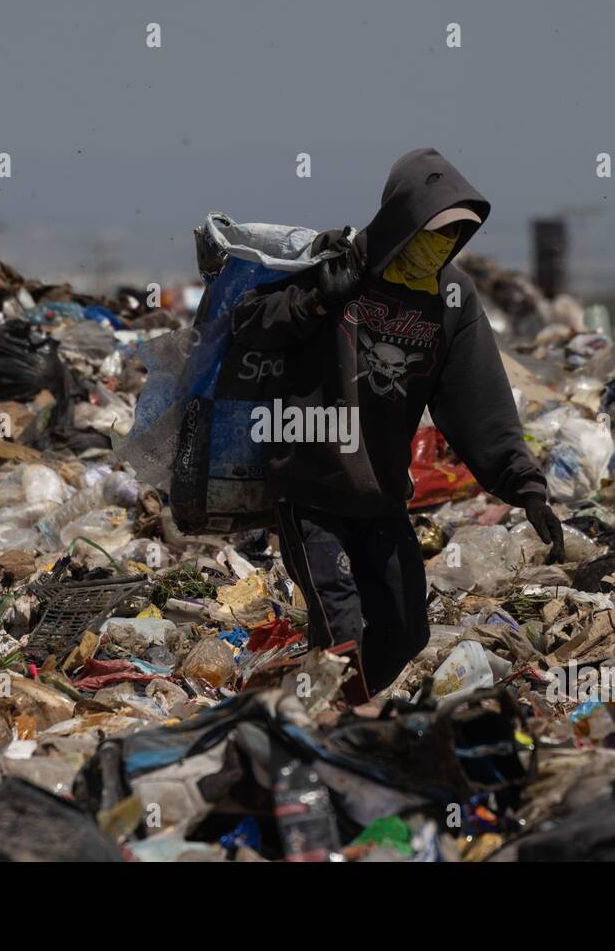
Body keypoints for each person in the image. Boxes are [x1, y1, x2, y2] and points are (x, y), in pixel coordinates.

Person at [230, 147, 563, 699]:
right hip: (310, 486)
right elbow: (250, 325)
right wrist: (317, 298)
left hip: (381, 494)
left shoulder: (451, 298)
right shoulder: (338, 264)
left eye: (456, 234)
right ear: (403, 220)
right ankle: (325, 732)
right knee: (341, 635)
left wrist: (526, 488)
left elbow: (480, 404)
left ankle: (322, 708)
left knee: (407, 631)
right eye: (434, 230)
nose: (443, 245)